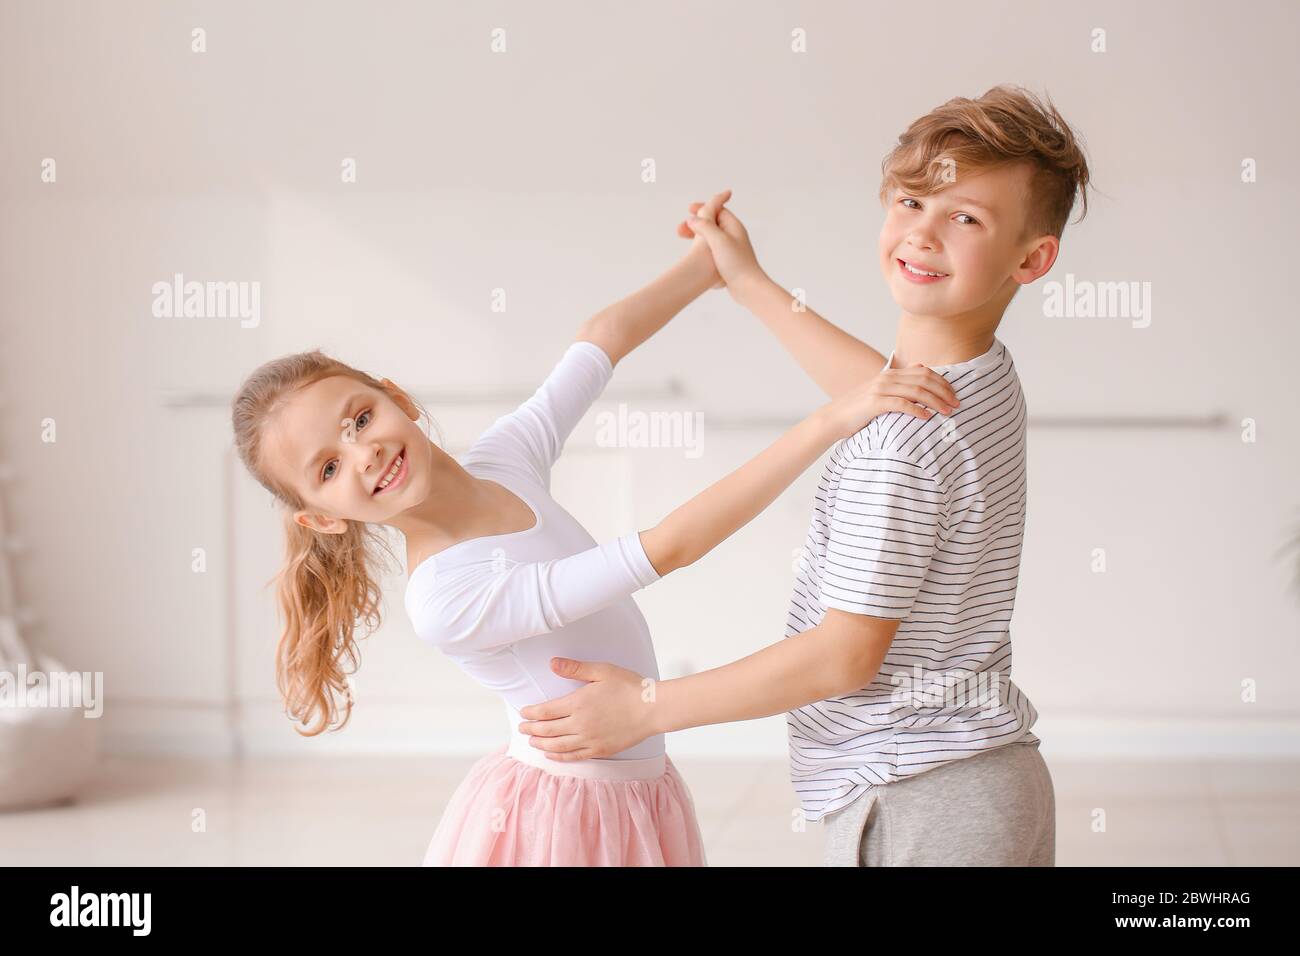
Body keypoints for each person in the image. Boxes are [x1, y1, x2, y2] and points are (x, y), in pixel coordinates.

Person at [229, 191, 959, 866]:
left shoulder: (501, 461)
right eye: (328, 469)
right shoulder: (445, 594)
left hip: (636, 784)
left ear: (396, 397)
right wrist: (832, 418)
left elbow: (598, 342)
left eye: (360, 417)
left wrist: (709, 266)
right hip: (563, 812)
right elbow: (669, 546)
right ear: (323, 518)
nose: (365, 453)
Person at [518, 84, 1093, 866]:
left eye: (964, 217)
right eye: (910, 201)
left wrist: (646, 709)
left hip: (915, 793)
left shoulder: (900, 447)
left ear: (1032, 258)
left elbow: (841, 657)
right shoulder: (978, 377)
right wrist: (749, 282)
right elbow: (879, 391)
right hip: (988, 779)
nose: (922, 234)